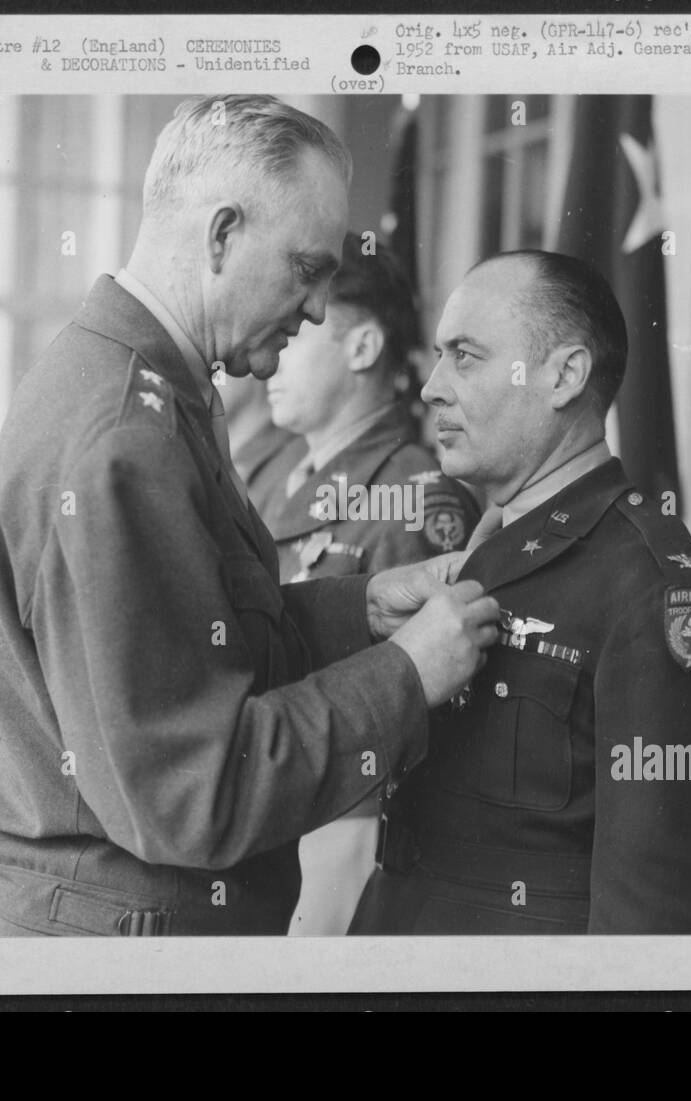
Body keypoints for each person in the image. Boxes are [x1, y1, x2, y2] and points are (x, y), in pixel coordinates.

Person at [0, 95, 499, 937]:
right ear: (220, 235)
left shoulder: (143, 381)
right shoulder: (126, 436)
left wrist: (363, 612)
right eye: (307, 268)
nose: (317, 307)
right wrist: (406, 676)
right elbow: (194, 793)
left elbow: (199, 633)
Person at [350, 250, 691, 935]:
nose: (432, 387)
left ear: (565, 375)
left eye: (466, 357)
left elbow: (655, 927)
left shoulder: (653, 596)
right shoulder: (480, 550)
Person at [246, 234, 479, 934]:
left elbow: (419, 710)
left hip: (341, 832)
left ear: (363, 348)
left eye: (299, 330)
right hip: (258, 803)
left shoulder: (416, 494)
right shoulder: (267, 466)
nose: (271, 357)